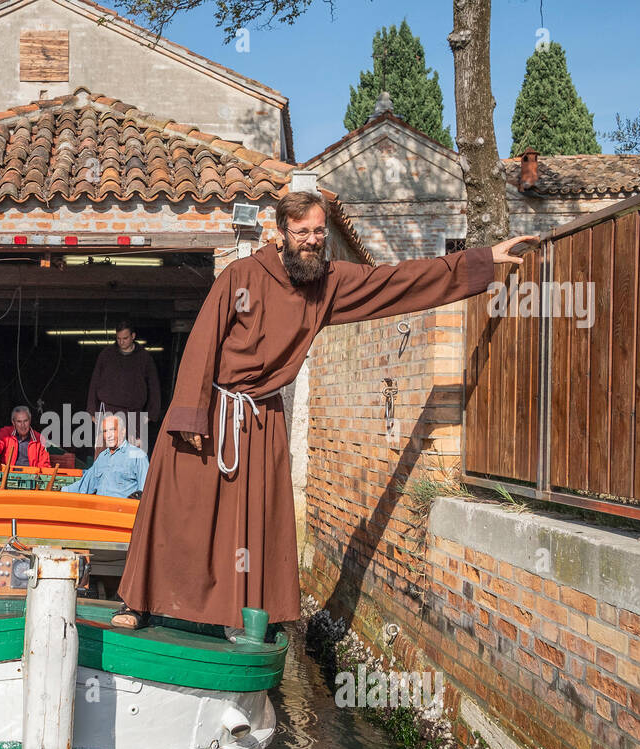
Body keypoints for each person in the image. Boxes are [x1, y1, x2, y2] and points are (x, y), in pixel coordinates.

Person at [112, 190, 537, 634]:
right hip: (212, 408)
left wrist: (482, 261)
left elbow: (397, 281)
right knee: (177, 508)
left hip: (260, 419)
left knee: (251, 525)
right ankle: (138, 602)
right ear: (281, 234)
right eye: (303, 232)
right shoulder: (241, 277)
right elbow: (202, 343)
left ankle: (242, 618)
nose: (313, 240)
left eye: (318, 231)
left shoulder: (330, 284)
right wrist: (189, 416)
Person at [86, 321, 161, 452]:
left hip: (134, 414)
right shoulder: (106, 354)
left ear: (133, 336)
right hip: (108, 411)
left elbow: (154, 387)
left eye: (125, 338)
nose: (121, 342)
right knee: (105, 454)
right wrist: (92, 410)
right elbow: (94, 382)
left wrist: (151, 414)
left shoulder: (144, 357)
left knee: (134, 455)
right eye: (119, 338)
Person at [61, 414, 149, 498]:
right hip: (100, 510)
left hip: (123, 511)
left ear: (123, 431)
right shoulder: (102, 457)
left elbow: (145, 491)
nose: (109, 435)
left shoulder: (138, 456)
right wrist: (61, 490)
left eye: (112, 430)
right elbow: (84, 485)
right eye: (105, 431)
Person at [0, 405, 51, 471]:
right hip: (8, 477)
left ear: (30, 421)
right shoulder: (6, 433)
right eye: (19, 421)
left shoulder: (39, 438)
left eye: (25, 421)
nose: (23, 425)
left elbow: (44, 465)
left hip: (31, 478)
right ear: (13, 422)